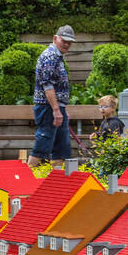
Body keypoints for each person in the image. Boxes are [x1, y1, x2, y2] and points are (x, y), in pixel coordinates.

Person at [30, 26, 75, 167]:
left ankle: (56, 183)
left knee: (61, 149)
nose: (67, 44)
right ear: (55, 38)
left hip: (56, 107)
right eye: (64, 41)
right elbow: (47, 86)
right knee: (42, 146)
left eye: (70, 42)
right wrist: (56, 109)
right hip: (48, 107)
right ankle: (27, 177)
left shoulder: (57, 57)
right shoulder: (50, 57)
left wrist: (61, 108)